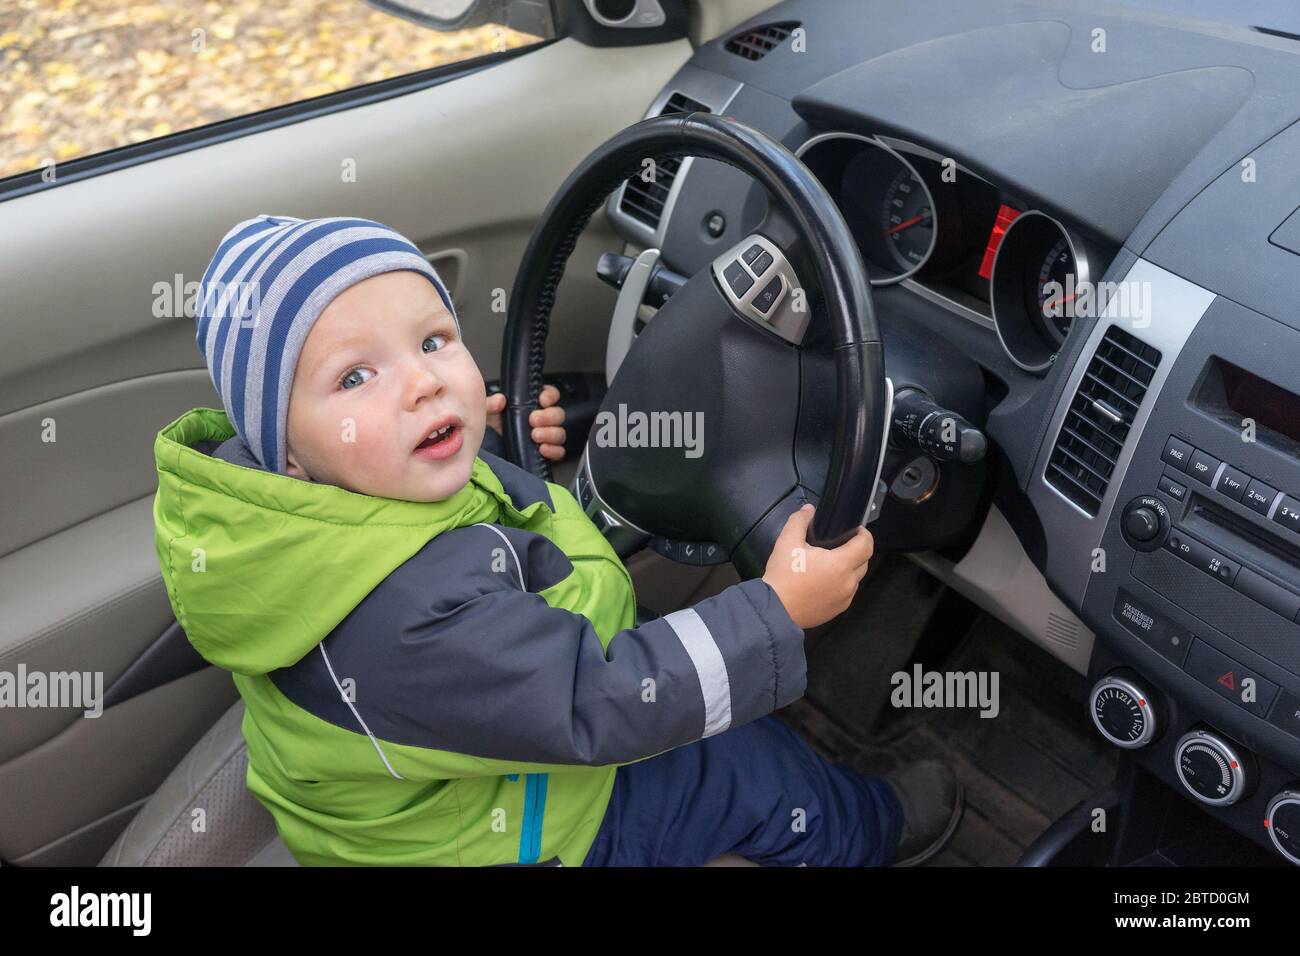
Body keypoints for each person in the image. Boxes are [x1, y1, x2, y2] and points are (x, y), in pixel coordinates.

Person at [152, 214, 963, 867]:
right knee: (744, 771)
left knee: (718, 704)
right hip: (513, 834)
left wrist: (505, 459)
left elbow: (462, 553)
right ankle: (870, 832)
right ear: (286, 451)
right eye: (355, 377)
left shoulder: (323, 514)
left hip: (444, 793)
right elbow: (598, 704)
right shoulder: (402, 622)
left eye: (433, 341)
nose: (424, 382)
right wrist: (780, 611)